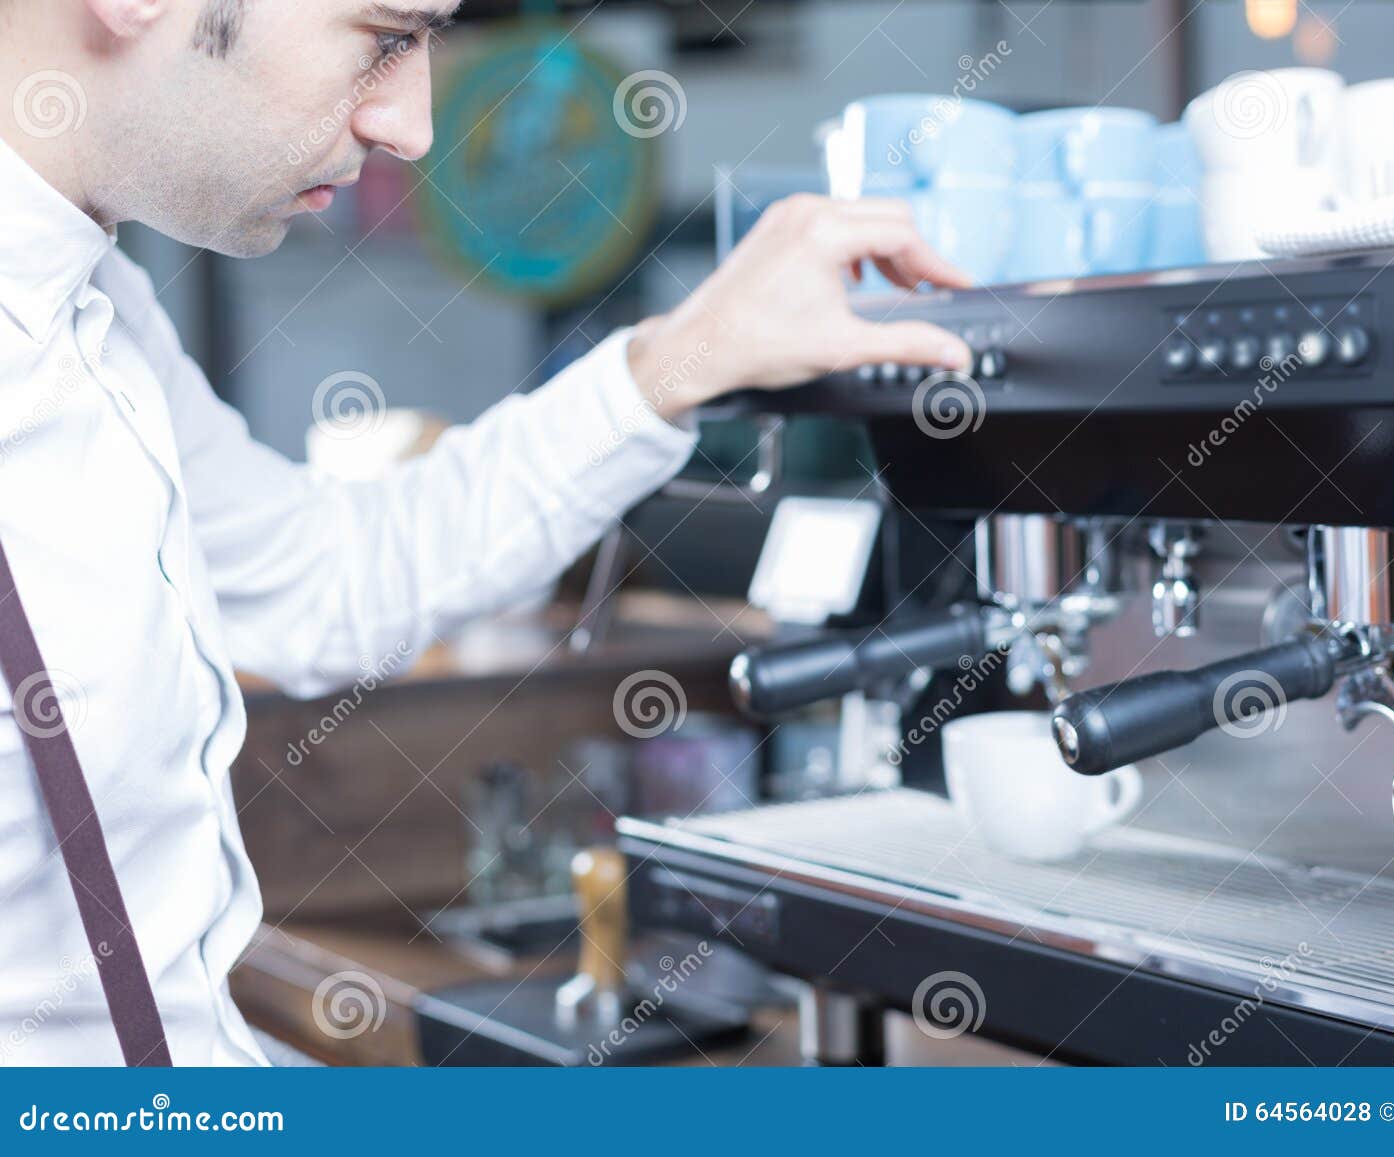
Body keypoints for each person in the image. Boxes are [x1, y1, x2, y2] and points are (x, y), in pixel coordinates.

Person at [0, 0, 972, 1064]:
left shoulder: (98, 302)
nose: (413, 127)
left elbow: (323, 575)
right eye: (382, 38)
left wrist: (686, 354)